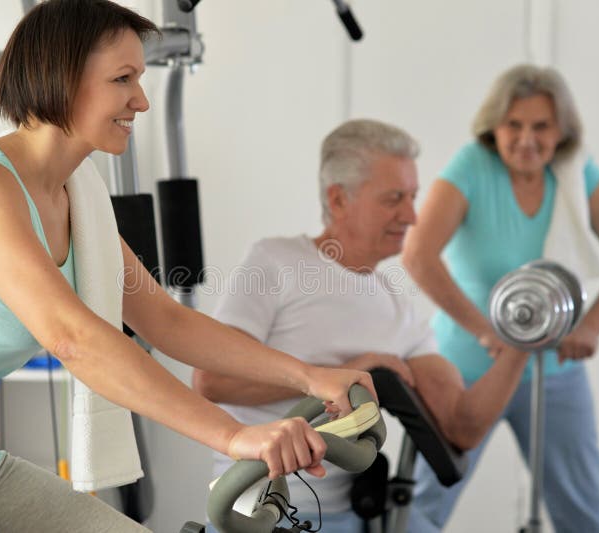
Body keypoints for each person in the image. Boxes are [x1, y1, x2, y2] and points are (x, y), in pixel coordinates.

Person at [0, 1, 375, 531]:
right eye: (123, 78)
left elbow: (165, 320)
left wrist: (311, 377)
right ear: (63, 79)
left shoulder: (76, 192)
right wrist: (231, 435)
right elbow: (73, 338)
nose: (142, 100)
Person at [193, 119, 536, 533]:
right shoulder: (275, 262)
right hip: (257, 511)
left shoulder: (399, 308)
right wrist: (345, 372)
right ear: (338, 199)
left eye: (412, 197)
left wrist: (525, 339)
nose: (411, 216)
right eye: (394, 199)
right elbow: (212, 379)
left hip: (351, 517)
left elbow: (461, 427)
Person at [402, 64, 599, 532]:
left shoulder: (578, 172)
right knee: (422, 506)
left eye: (541, 126)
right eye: (513, 125)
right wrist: (482, 329)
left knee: (584, 511)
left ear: (562, 132)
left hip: (553, 368)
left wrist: (592, 326)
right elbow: (418, 254)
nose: (526, 139)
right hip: (469, 364)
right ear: (494, 127)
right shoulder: (471, 166)